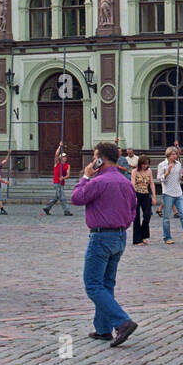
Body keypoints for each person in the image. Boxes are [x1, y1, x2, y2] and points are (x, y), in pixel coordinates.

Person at [70, 139, 138, 346]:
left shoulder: (98, 181)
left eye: (94, 157)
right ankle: (103, 328)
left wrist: (85, 176)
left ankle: (122, 321)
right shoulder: (125, 181)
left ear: (100, 159)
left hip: (101, 236)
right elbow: (133, 209)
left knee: (92, 284)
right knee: (106, 283)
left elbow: (77, 198)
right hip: (120, 236)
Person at [159, 146, 183, 244]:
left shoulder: (178, 164)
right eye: (173, 154)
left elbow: (179, 178)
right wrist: (167, 172)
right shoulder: (162, 165)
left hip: (178, 192)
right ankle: (167, 238)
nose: (175, 156)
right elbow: (160, 179)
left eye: (176, 154)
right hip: (168, 193)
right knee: (167, 218)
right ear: (168, 155)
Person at [43, 143, 74, 216]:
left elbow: (68, 175)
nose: (65, 158)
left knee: (56, 197)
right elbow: (56, 154)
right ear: (61, 158)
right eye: (63, 157)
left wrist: (63, 177)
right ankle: (66, 211)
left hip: (61, 183)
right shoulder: (57, 163)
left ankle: (47, 207)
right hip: (56, 182)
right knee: (62, 197)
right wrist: (60, 146)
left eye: (65, 157)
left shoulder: (67, 165)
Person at [131, 154, 155, 245]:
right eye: (143, 164)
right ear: (140, 164)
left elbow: (151, 183)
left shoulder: (149, 171)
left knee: (147, 215)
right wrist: (134, 196)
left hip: (146, 194)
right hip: (136, 194)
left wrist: (154, 196)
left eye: (147, 164)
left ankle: (144, 235)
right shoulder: (134, 171)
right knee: (136, 217)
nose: (145, 166)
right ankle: (137, 239)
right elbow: (132, 184)